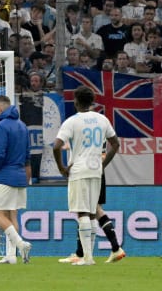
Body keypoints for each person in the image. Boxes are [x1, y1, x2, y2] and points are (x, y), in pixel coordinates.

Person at [53, 86, 118, 267]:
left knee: (82, 213)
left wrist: (61, 168)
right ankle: (88, 255)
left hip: (79, 171)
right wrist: (103, 164)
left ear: (75, 101)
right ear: (91, 102)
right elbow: (116, 143)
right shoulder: (102, 119)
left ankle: (87, 258)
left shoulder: (72, 121)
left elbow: (56, 146)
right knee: (91, 213)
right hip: (96, 170)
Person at [0, 94, 32, 265]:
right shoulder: (23, 126)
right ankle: (11, 255)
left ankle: (21, 244)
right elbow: (28, 156)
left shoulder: (1, 126)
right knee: (12, 213)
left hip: (5, 175)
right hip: (20, 175)